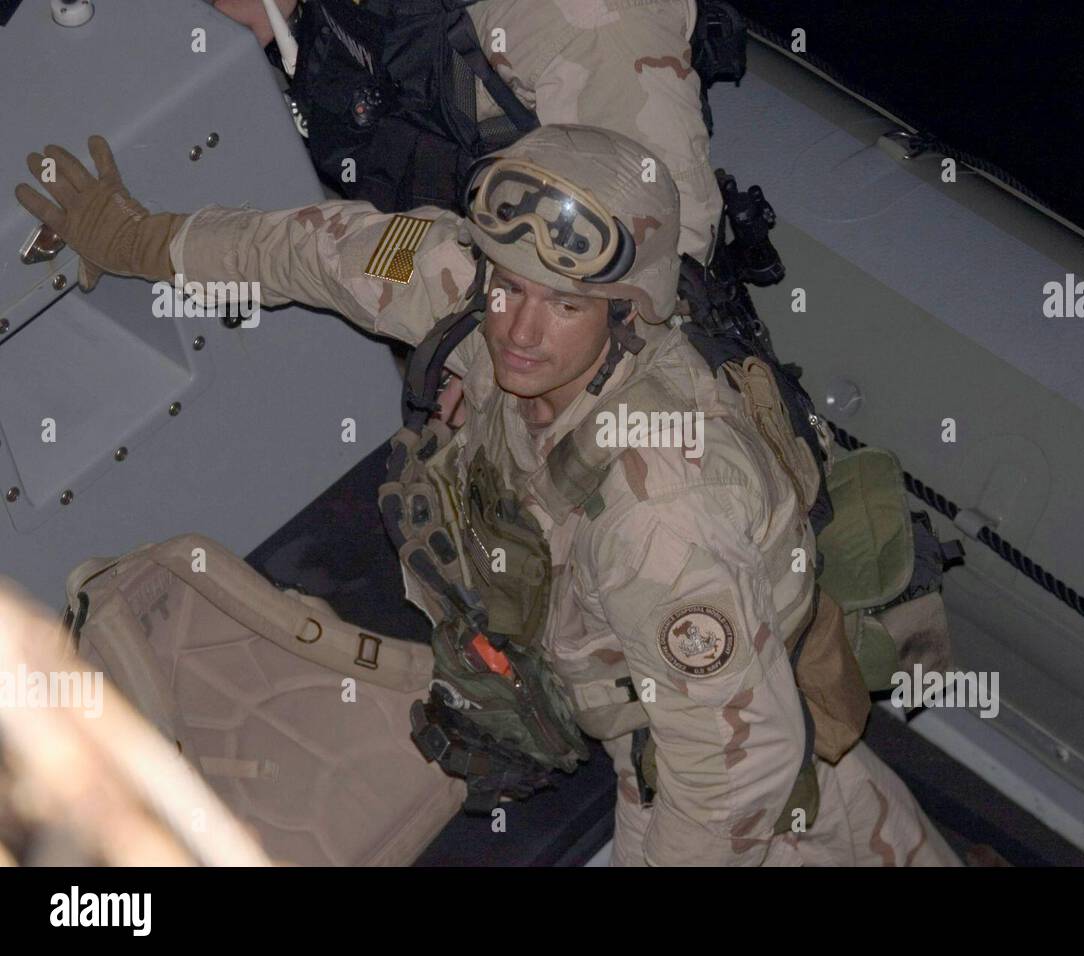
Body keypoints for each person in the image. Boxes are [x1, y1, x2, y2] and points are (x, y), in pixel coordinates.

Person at [14, 127, 959, 866]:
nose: (518, 330)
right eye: (510, 287)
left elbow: (731, 774)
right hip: (645, 673)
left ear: (628, 314)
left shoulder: (659, 508)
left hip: (708, 763)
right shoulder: (465, 282)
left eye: (564, 305)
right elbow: (310, 249)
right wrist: (131, 237)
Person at [213, 0, 724, 265]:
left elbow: (671, 253)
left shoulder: (582, 20)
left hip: (542, 308)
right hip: (418, 239)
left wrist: (479, 345)